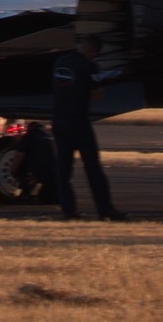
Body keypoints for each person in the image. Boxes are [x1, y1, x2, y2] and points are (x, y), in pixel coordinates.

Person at [52, 33, 128, 220]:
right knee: (93, 168)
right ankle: (105, 210)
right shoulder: (89, 66)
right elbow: (98, 95)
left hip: (58, 120)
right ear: (94, 52)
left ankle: (69, 211)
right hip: (78, 121)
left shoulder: (60, 62)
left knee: (63, 170)